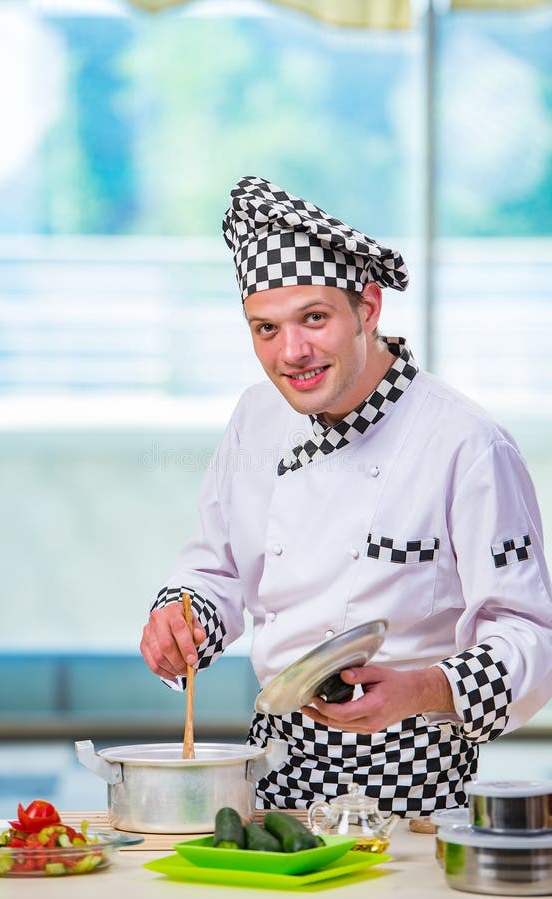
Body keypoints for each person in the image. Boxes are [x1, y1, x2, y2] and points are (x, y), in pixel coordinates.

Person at [140, 175, 552, 817]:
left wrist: (423, 687)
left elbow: (528, 631)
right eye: (265, 329)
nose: (292, 352)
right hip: (272, 767)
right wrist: (185, 617)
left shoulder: (467, 444)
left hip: (411, 784)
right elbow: (217, 565)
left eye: (314, 319)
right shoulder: (256, 417)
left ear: (368, 307)